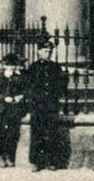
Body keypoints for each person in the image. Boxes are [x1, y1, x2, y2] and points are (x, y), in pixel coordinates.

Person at [26, 37, 66, 172]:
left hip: (51, 106)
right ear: (38, 52)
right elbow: (28, 87)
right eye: (45, 50)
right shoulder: (33, 68)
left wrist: (56, 96)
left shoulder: (55, 67)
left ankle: (51, 161)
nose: (47, 53)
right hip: (37, 106)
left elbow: (61, 85)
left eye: (49, 51)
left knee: (51, 133)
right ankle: (36, 162)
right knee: (36, 133)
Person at [0, 53, 26, 168]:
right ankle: (1, 157)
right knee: (1, 133)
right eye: (9, 65)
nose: (11, 67)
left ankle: (10, 156)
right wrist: (4, 98)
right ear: (4, 66)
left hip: (14, 108)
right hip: (2, 109)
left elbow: (24, 91)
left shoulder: (19, 77)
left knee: (13, 134)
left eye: (13, 65)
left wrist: (19, 97)